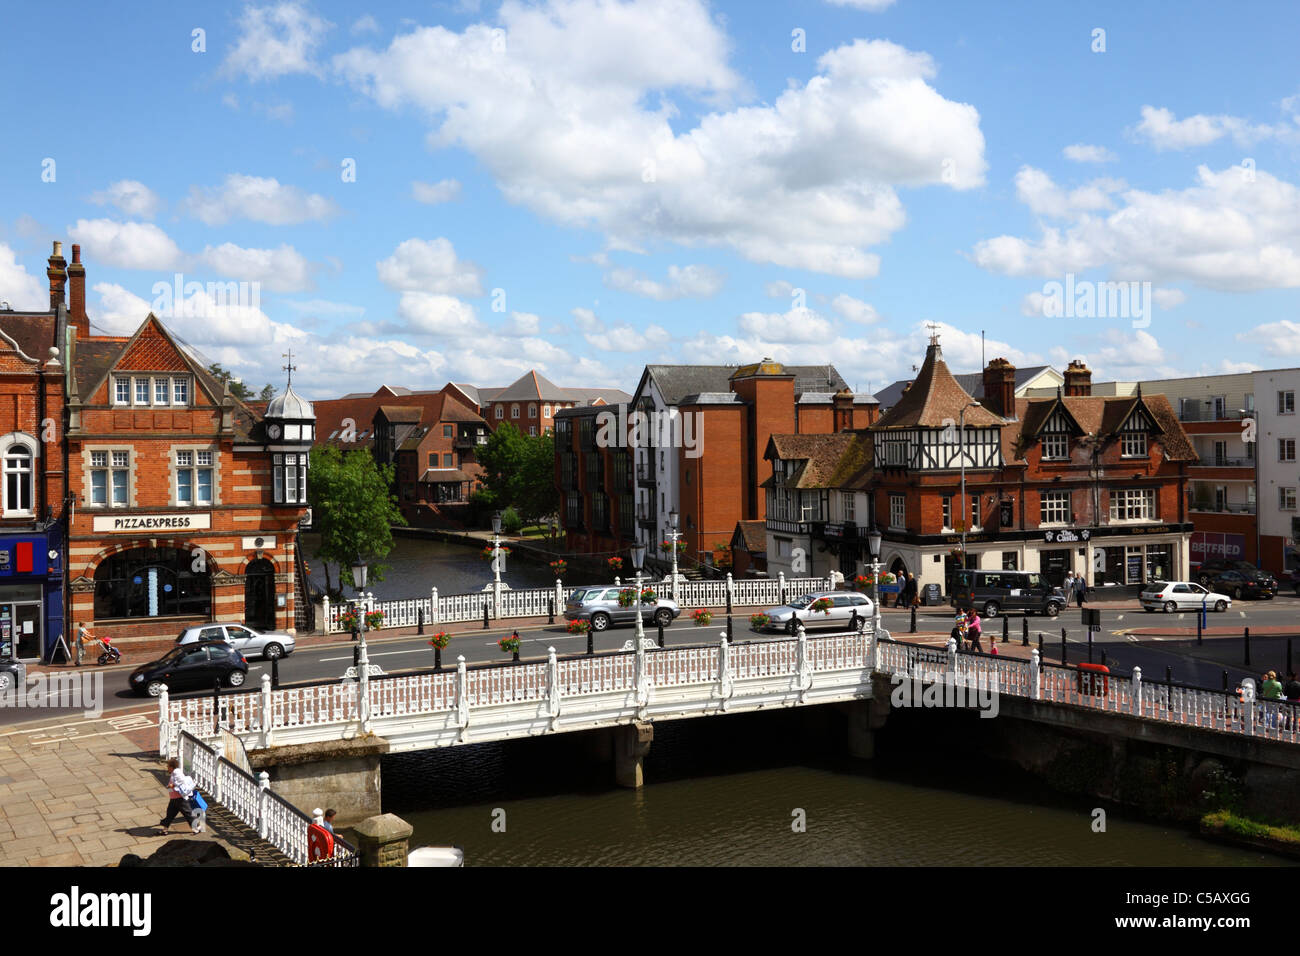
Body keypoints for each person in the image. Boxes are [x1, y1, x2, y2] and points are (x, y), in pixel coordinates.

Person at [159, 758, 192, 833]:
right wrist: (170, 787)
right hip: (174, 798)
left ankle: (197, 827)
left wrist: (172, 785)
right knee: (170, 814)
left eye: (168, 767)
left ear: (171, 767)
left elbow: (181, 781)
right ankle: (165, 830)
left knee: (187, 813)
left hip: (180, 798)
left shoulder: (177, 772)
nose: (167, 768)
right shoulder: (174, 772)